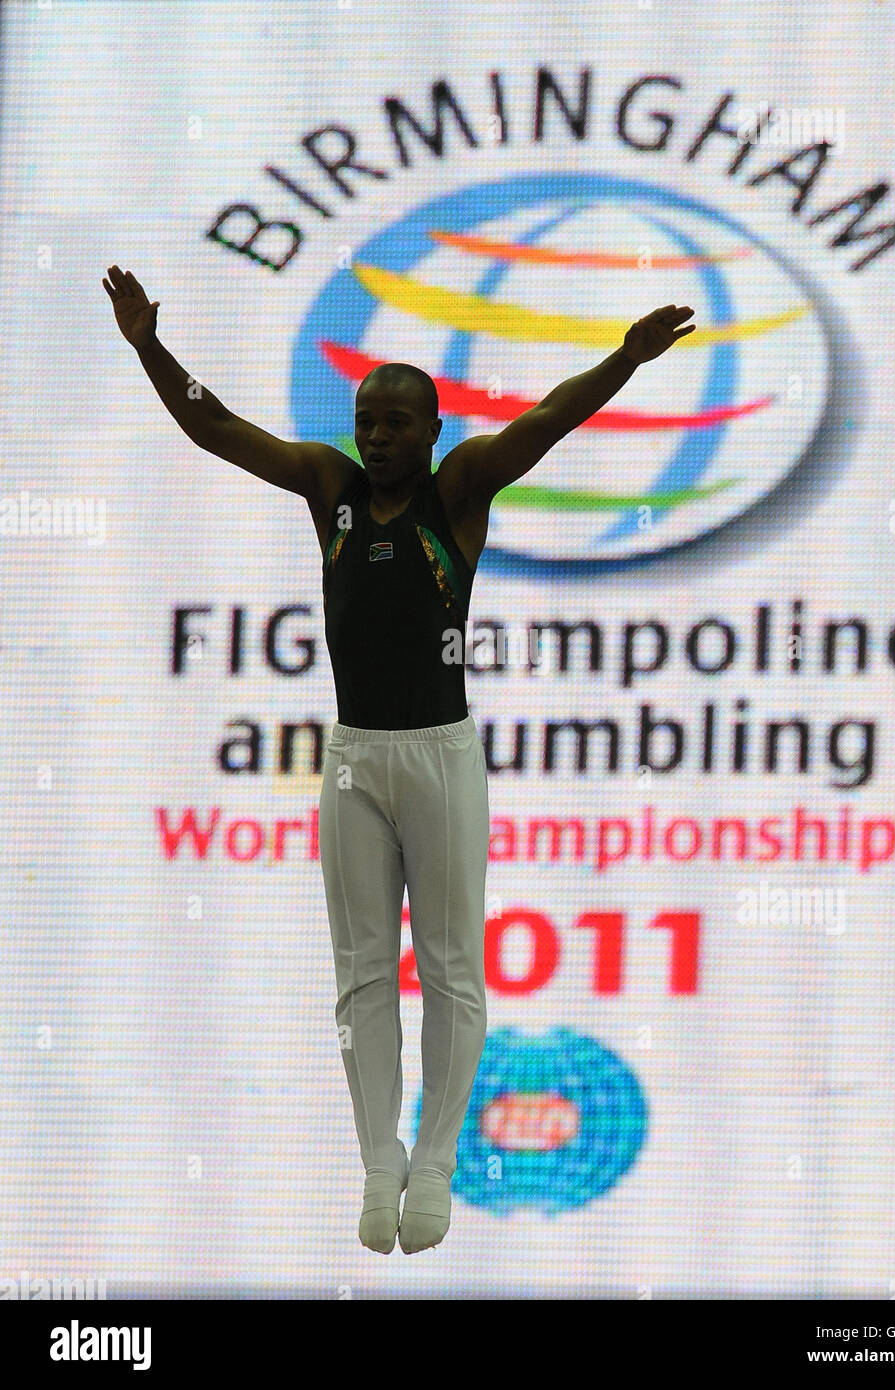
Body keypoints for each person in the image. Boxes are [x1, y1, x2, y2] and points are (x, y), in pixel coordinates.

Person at [103, 263, 695, 1253]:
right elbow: (216, 427)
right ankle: (378, 1161)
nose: (374, 437)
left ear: (428, 431)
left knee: (453, 970)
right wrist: (149, 346)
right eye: (364, 420)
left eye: (393, 423)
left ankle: (434, 1160)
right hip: (352, 758)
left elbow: (545, 419)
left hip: (439, 756)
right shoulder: (325, 487)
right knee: (361, 972)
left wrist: (622, 362)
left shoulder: (459, 489)